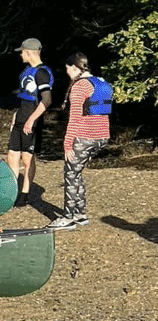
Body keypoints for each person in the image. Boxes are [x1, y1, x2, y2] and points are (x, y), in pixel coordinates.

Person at [48, 52, 113, 230]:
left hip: (85, 136)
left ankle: (68, 217)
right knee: (77, 173)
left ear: (75, 68)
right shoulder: (101, 82)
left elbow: (74, 118)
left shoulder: (80, 87)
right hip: (102, 136)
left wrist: (67, 143)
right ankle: (80, 214)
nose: (67, 73)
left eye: (68, 69)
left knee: (70, 174)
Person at [6, 38, 53, 207]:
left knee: (27, 159)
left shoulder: (42, 73)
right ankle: (12, 191)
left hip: (32, 120)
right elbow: (24, 98)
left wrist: (31, 120)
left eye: (22, 52)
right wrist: (16, 116)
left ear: (30, 52)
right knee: (12, 155)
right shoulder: (28, 70)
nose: (20, 54)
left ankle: (24, 194)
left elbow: (47, 100)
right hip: (21, 116)